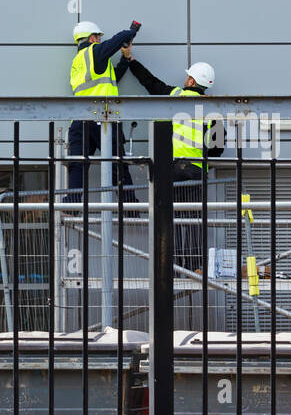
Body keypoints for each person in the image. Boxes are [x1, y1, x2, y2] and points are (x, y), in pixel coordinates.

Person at [123, 48, 224, 270]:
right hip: (197, 171)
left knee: (172, 218)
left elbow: (150, 82)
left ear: (190, 80)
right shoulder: (213, 110)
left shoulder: (175, 95)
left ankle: (174, 265)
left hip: (172, 169)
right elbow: (218, 149)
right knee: (195, 219)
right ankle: (195, 265)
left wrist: (130, 60)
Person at [67, 20, 137, 199]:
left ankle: (72, 205)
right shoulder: (94, 52)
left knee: (77, 164)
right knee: (116, 164)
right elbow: (118, 39)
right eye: (98, 36)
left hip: (80, 118)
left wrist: (125, 59)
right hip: (103, 117)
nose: (100, 40)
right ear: (92, 38)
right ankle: (129, 206)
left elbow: (113, 77)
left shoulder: (78, 61)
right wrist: (131, 32)